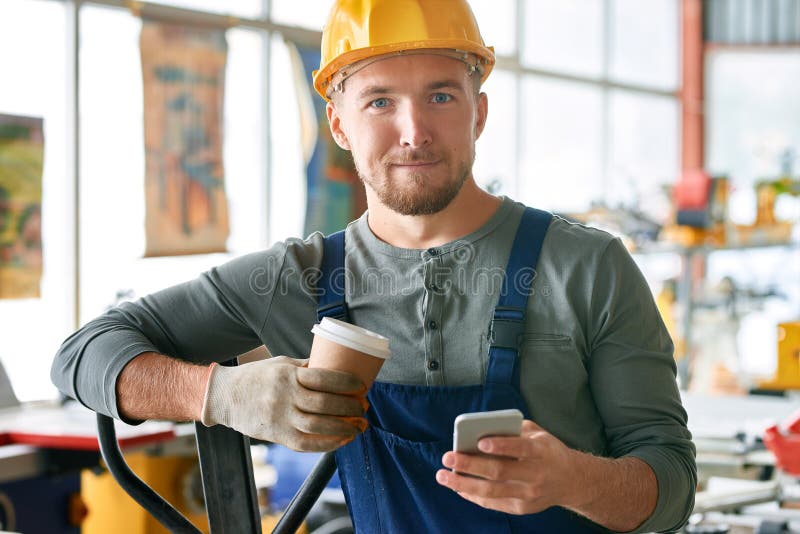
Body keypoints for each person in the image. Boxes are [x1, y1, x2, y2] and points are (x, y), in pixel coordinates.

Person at [51, 1, 696, 532]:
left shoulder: (589, 266)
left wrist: (572, 478)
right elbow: (82, 354)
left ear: (481, 111)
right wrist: (216, 395)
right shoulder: (295, 279)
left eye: (441, 95)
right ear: (337, 123)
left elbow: (671, 485)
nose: (413, 130)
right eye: (380, 102)